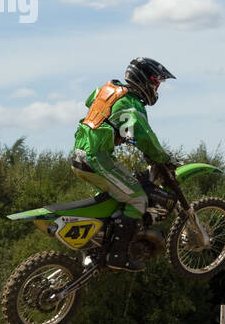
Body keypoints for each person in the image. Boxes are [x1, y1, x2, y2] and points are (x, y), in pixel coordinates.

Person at [69, 57, 176, 272]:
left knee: (115, 198)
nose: (156, 89)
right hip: (97, 158)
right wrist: (164, 158)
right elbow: (144, 135)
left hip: (78, 153)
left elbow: (91, 103)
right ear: (146, 81)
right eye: (156, 83)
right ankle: (117, 255)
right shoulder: (132, 104)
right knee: (137, 199)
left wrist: (116, 130)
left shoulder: (108, 89)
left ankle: (97, 243)